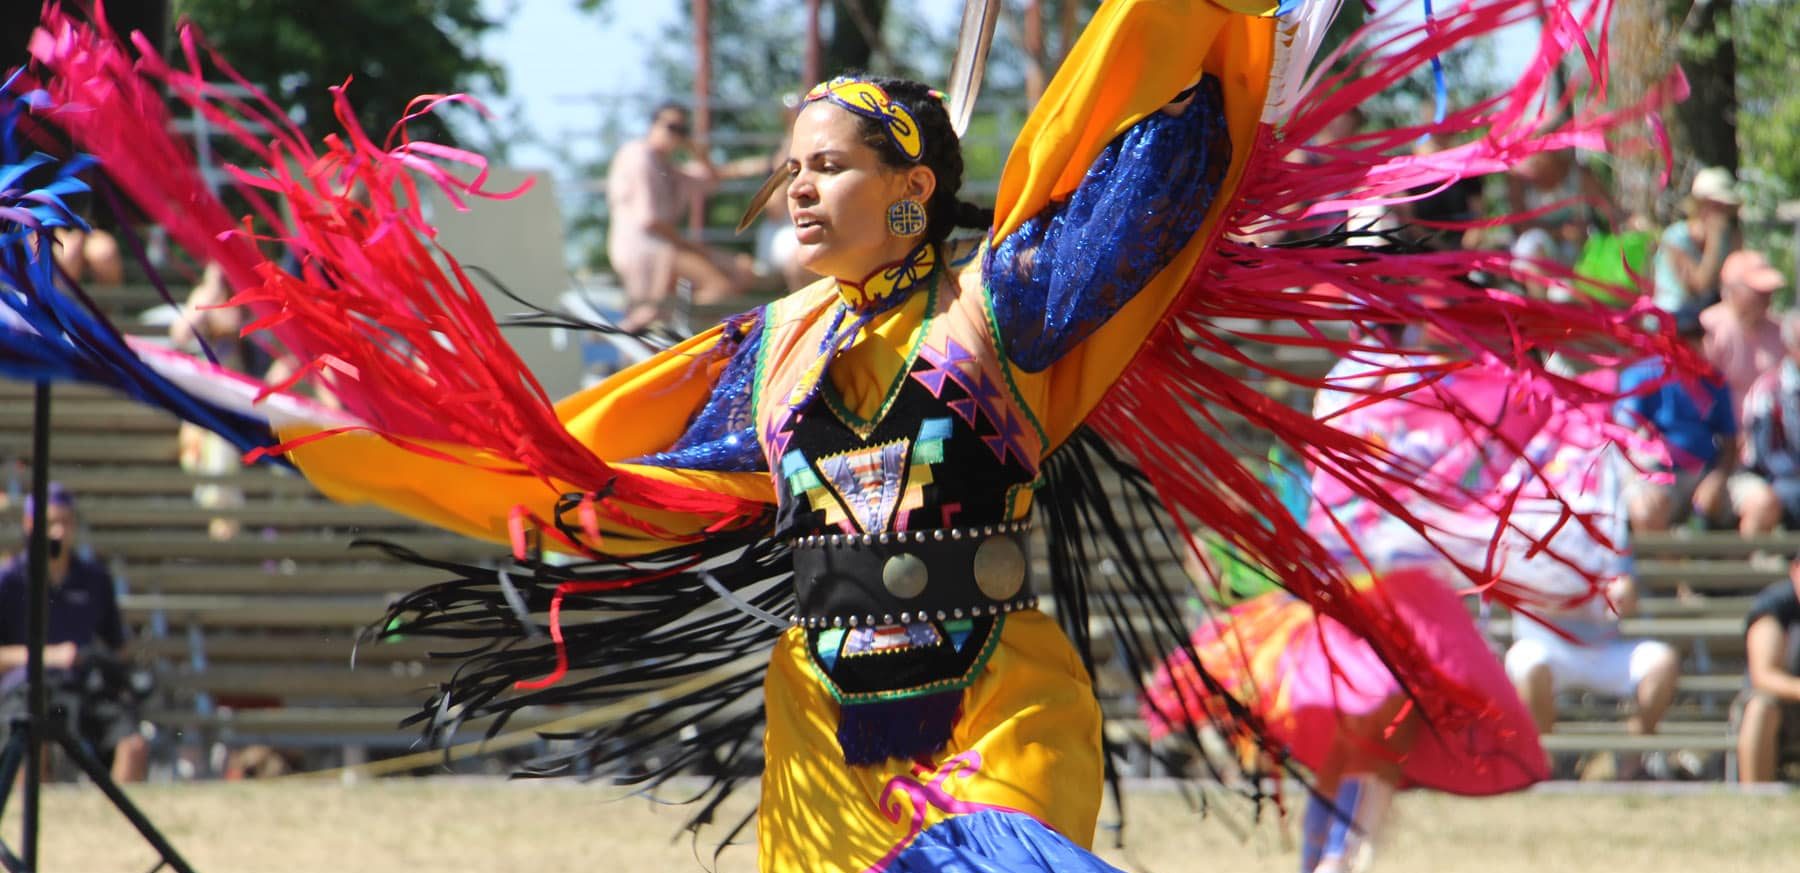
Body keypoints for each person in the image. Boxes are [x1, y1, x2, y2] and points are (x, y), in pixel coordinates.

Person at [10, 2, 1689, 869]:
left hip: (991, 707)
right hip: (821, 723)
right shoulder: (769, 358)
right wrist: (232, 399)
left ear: (913, 192)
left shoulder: (1011, 314)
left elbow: (1158, 162)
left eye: (825, 167)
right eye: (782, 167)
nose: (787, 189)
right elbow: (571, 468)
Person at [0, 484, 149, 784]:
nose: (58, 532)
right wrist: (48, 656)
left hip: (83, 687)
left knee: (133, 746)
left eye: (65, 522)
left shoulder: (95, 579)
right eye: (50, 522)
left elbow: (118, 646)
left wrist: (104, 662)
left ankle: (113, 827)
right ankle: (34, 826)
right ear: (30, 526)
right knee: (31, 745)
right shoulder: (9, 580)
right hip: (26, 686)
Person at [605, 102, 757, 331]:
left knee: (736, 278)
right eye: (671, 127)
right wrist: (696, 249)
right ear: (653, 124)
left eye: (682, 130)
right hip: (647, 250)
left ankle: (662, 324)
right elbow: (650, 220)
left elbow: (712, 178)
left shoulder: (668, 166)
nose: (676, 135)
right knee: (718, 289)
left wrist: (694, 148)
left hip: (659, 248)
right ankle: (660, 323)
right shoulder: (639, 155)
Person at [1615, 305, 1762, 536]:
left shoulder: (1713, 380)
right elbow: (1624, 435)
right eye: (1683, 338)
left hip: (1706, 474)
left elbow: (1730, 440)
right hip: (1656, 475)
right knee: (1646, 510)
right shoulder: (1641, 376)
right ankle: (1670, 570)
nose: (1690, 344)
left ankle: (1745, 569)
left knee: (1762, 503)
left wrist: (1718, 477)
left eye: (1696, 337)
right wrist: (1640, 475)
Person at [1701, 249, 1785, 423]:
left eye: (1768, 292)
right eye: (1758, 292)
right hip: (1722, 435)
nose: (1767, 298)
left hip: (1769, 437)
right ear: (1732, 290)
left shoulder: (1780, 331)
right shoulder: (1708, 329)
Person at [1737, 555, 1800, 782]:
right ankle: (1757, 796)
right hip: (1780, 707)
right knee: (1762, 707)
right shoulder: (1775, 606)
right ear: (1795, 570)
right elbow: (1763, 675)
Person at [1736, 310, 1800, 535]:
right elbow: (1763, 454)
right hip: (1770, 477)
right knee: (1771, 500)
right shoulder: (1769, 390)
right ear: (1790, 347)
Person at [1653, 166, 1742, 312]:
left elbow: (1734, 280)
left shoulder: (1731, 236)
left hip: (1709, 314)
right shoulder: (1675, 237)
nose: (1722, 212)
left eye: (1726, 206)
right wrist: (1715, 240)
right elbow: (1700, 285)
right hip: (1672, 317)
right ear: (1699, 205)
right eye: (1716, 205)